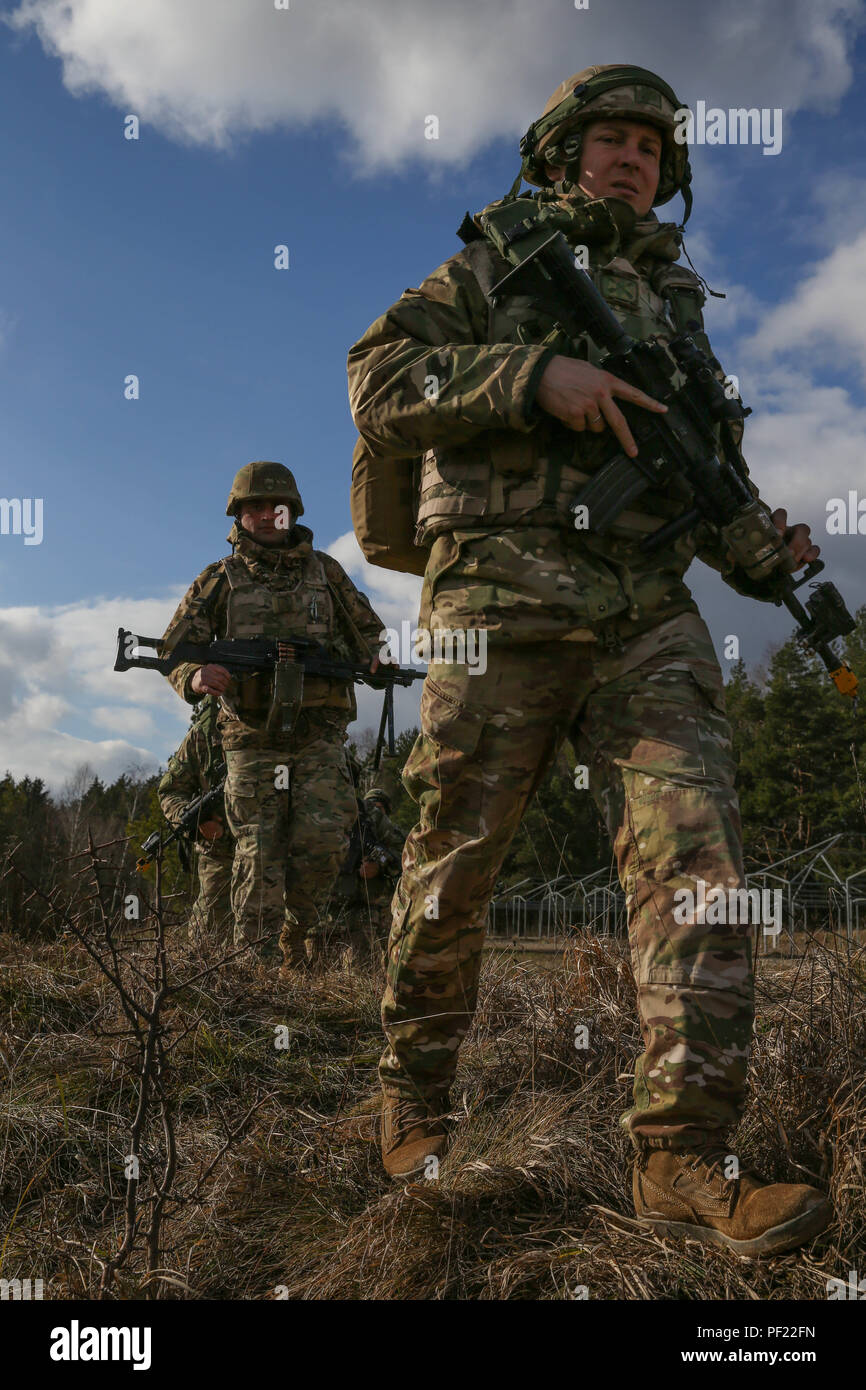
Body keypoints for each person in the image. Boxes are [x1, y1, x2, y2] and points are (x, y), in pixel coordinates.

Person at [346, 65, 833, 1254]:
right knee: (454, 860)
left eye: (651, 149)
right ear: (561, 153)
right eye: (609, 140)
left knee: (700, 865)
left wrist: (763, 552)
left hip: (641, 616)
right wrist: (528, 374)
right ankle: (411, 1100)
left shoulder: (675, 308)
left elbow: (697, 471)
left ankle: (680, 1155)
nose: (631, 160)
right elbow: (374, 381)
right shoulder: (490, 263)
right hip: (496, 601)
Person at [160, 461, 385, 973]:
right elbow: (174, 651)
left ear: (292, 512)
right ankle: (251, 970)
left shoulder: (326, 574)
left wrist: (377, 656)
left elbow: (368, 634)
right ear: (237, 515)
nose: (265, 515)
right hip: (250, 736)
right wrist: (196, 678)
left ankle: (297, 933)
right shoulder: (218, 580)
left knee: (326, 838)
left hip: (319, 735)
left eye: (275, 506)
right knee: (257, 850)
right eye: (253, 507)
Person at [157, 697, 233, 948]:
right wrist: (196, 824)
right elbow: (170, 791)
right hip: (220, 855)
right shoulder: (203, 735)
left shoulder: (283, 729)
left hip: (274, 857)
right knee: (206, 941)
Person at [331, 787, 406, 965]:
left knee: (365, 961)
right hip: (331, 907)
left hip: (370, 907)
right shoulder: (335, 816)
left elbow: (402, 856)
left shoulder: (383, 831)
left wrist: (378, 867)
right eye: (372, 806)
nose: (375, 811)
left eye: (380, 808)